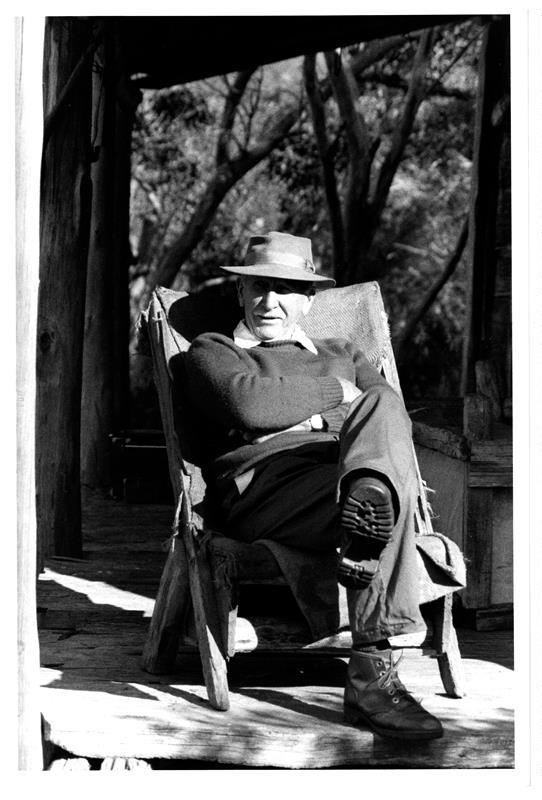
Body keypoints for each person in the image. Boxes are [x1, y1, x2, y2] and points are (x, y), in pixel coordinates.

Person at [185, 231, 443, 741]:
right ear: (240, 292)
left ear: (308, 299)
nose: (269, 300)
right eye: (258, 286)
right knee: (384, 478)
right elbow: (248, 405)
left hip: (341, 478)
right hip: (263, 487)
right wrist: (333, 401)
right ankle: (373, 678)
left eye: (285, 288)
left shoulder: (342, 350)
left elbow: (386, 414)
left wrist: (299, 416)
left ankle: (368, 503)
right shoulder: (215, 352)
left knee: (381, 446)